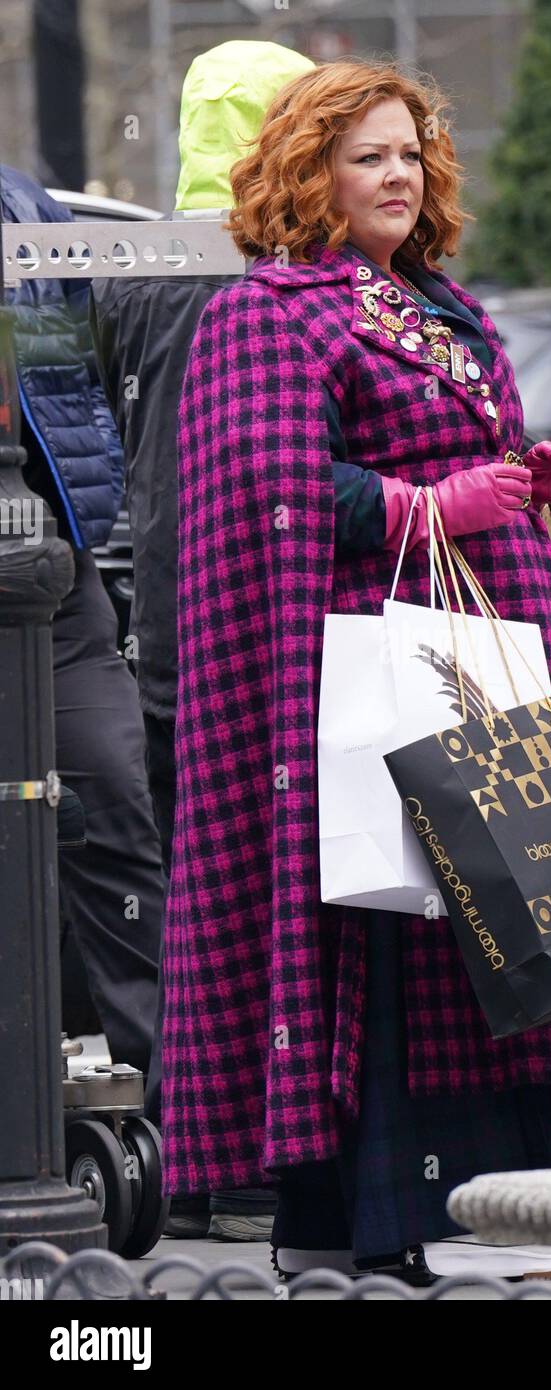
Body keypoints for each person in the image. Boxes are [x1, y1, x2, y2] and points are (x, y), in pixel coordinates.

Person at [162, 57, 551, 1284]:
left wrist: (527, 474)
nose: (398, 175)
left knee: (500, 919)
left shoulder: (434, 301)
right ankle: (356, 1228)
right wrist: (433, 501)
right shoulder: (268, 308)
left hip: (478, 656)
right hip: (362, 686)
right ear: (308, 172)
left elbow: (458, 451)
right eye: (367, 155)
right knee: (392, 926)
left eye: (410, 154)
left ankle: (510, 1210)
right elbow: (269, 491)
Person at [91, 39, 315, 1244]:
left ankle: (194, 1162)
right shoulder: (278, 271)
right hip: (261, 631)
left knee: (177, 903)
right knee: (271, 904)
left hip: (158, 632)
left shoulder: (133, 271)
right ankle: (264, 1168)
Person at [0, 163, 162, 1081]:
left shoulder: (26, 205)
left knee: (113, 814)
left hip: (51, 577)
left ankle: (189, 1130)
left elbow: (76, 387)